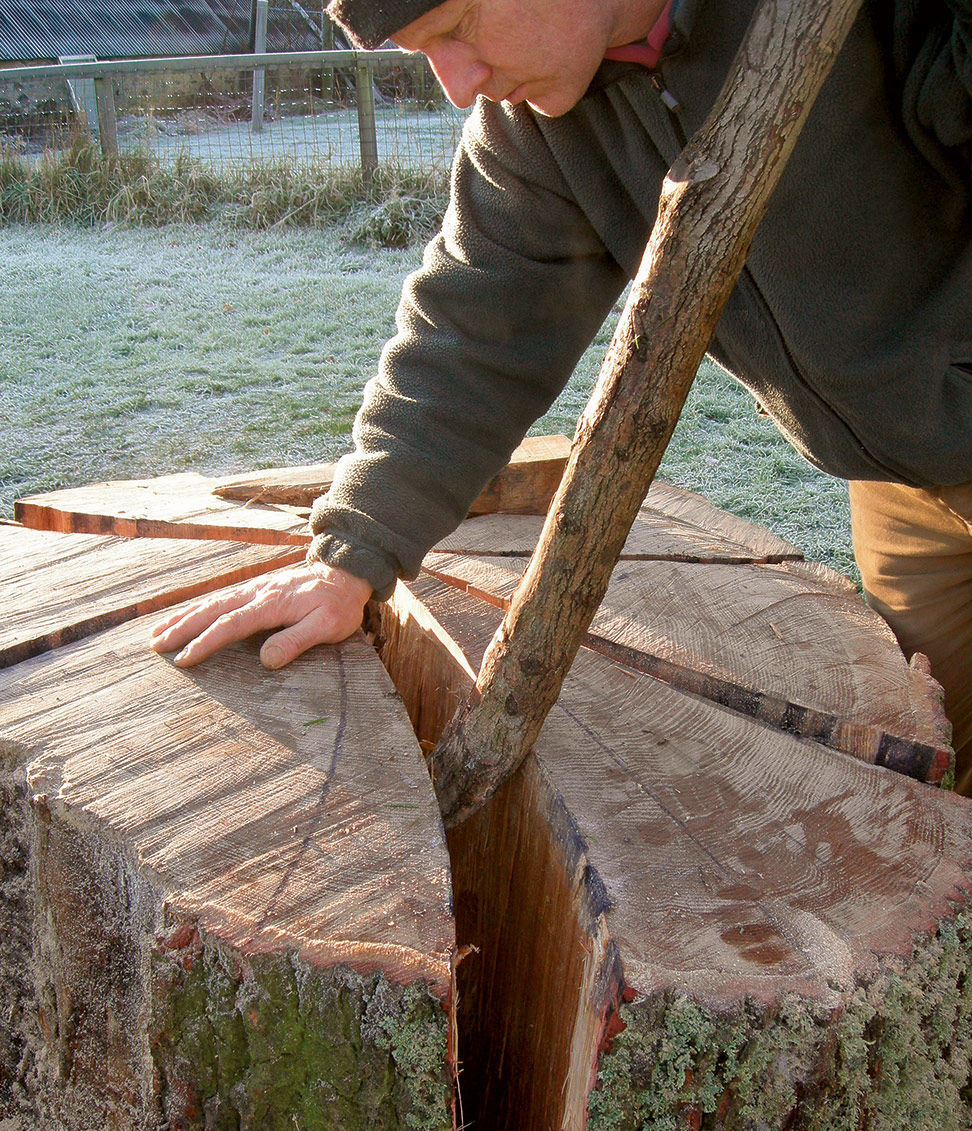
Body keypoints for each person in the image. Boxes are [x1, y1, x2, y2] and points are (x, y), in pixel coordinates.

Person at [152, 0, 972, 788]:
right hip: (903, 487)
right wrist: (353, 550)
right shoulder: (541, 130)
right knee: (945, 780)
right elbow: (475, 329)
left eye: (459, 25)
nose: (457, 84)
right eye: (422, 52)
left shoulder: (852, 19)